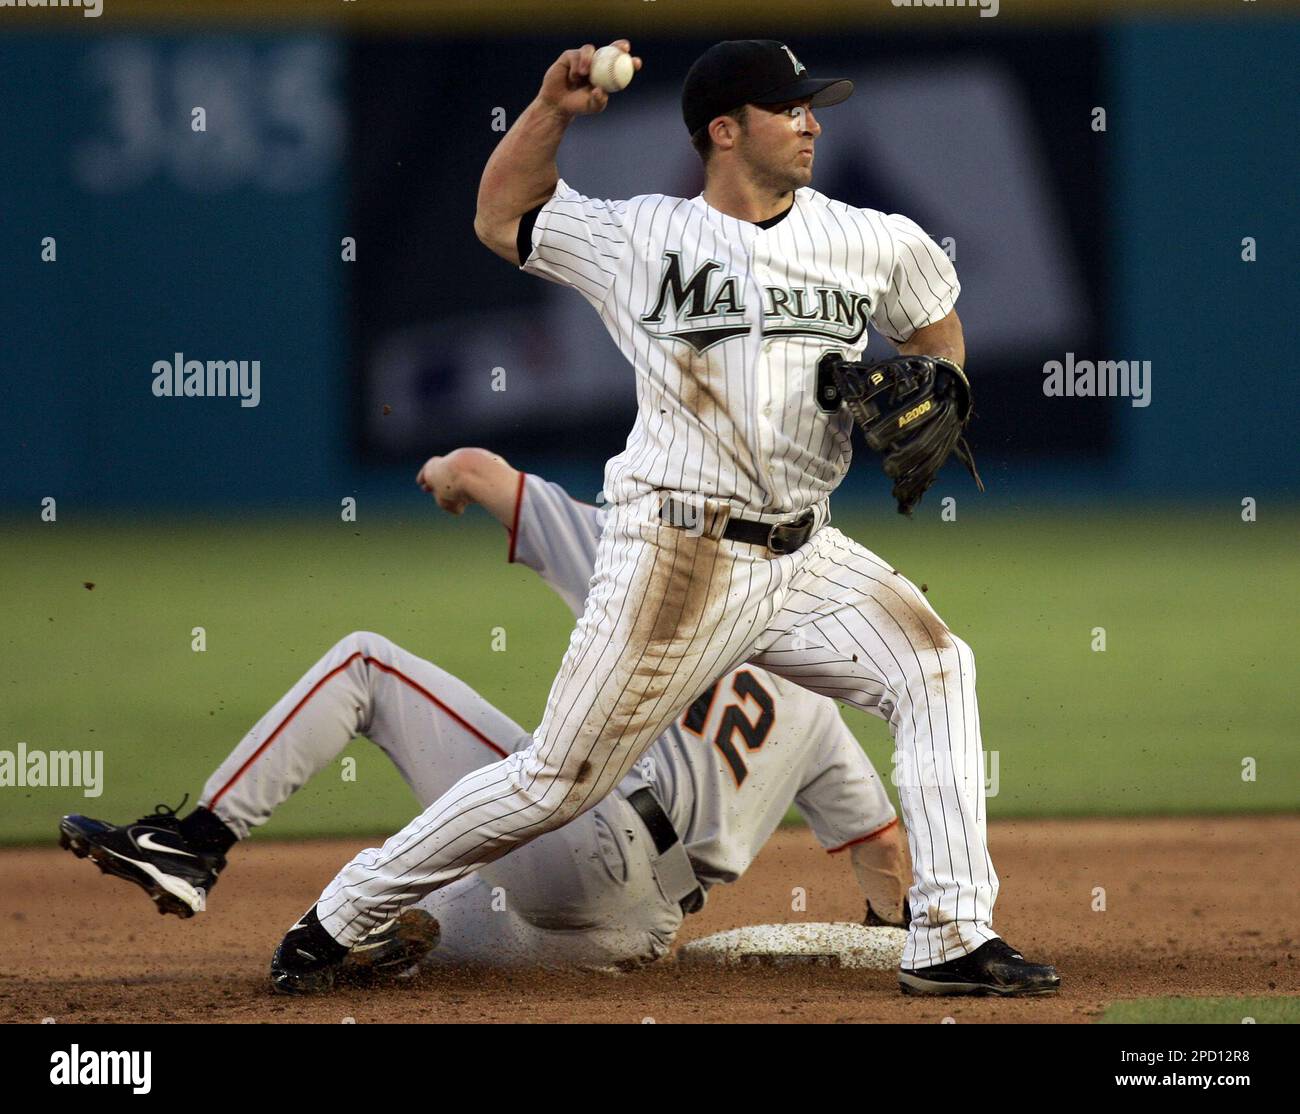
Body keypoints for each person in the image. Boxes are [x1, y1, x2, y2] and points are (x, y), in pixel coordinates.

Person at [264, 38, 1058, 997]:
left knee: (936, 666)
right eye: (789, 107)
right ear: (724, 131)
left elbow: (932, 316)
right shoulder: (642, 237)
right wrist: (553, 106)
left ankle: (951, 937)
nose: (812, 121)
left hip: (805, 554)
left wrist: (942, 380)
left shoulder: (870, 238)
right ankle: (341, 916)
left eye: (815, 106)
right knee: (557, 781)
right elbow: (502, 213)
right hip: (676, 553)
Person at [60, 448, 908, 991]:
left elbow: (477, 471)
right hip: (638, 930)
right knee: (419, 929)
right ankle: (399, 938)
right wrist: (884, 940)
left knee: (367, 665)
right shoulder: (818, 692)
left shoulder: (659, 555)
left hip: (582, 843)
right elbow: (881, 853)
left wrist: (442, 474)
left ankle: (195, 844)